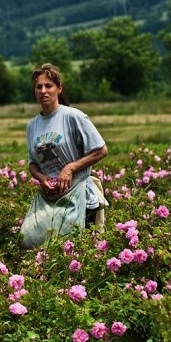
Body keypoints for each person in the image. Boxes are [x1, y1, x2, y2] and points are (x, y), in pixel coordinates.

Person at [20, 63, 108, 248]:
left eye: (49, 86)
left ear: (59, 89)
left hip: (79, 195)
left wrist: (70, 168)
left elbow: (101, 150)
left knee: (74, 248)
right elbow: (32, 163)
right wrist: (41, 177)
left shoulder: (73, 117)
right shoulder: (32, 125)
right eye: (39, 87)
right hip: (50, 196)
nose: (43, 91)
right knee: (29, 239)